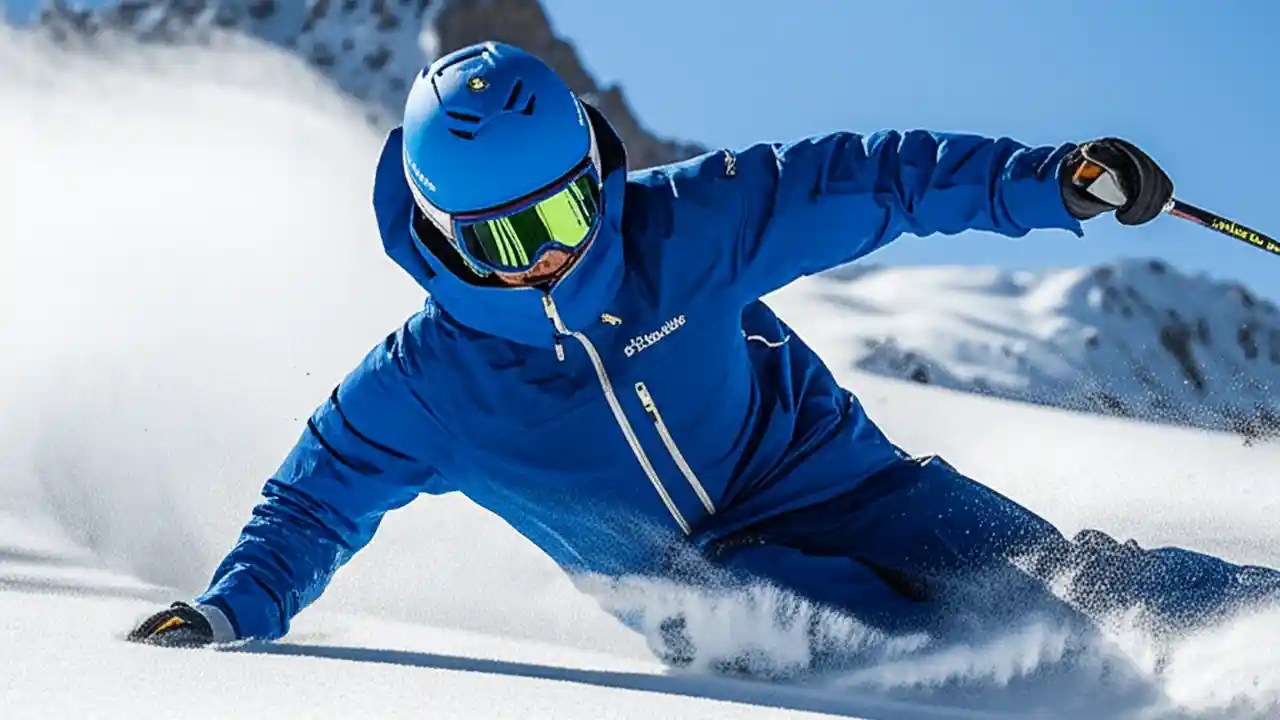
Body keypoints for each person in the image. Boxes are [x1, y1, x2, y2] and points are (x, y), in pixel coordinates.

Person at [128, 41, 1280, 659]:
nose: (544, 255)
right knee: (884, 629)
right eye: (504, 237)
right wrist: (233, 607)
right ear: (440, 233)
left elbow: (868, 179)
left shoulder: (680, 226)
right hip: (709, 584)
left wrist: (1050, 182)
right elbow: (311, 502)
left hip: (851, 481)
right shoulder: (428, 385)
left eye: (566, 215)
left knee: (1064, 579)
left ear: (594, 178)